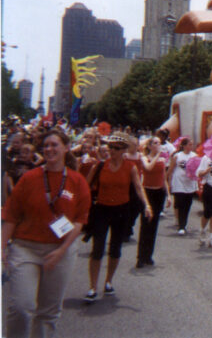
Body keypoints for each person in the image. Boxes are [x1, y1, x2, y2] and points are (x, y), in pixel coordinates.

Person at [2, 130, 91, 337]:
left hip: (61, 251)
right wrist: (1, 248)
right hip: (26, 249)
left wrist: (61, 251)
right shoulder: (29, 178)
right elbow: (11, 215)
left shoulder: (77, 181)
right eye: (47, 145)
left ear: (66, 148)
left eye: (55, 145)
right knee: (21, 307)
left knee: (48, 312)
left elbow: (80, 220)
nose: (49, 149)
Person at [85, 132, 152, 301]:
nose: (111, 150)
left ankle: (108, 281)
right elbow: (84, 188)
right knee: (97, 249)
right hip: (101, 210)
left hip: (121, 211)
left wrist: (147, 205)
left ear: (123, 150)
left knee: (115, 248)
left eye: (116, 148)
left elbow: (138, 187)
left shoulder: (130, 167)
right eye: (110, 147)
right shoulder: (99, 166)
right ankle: (93, 287)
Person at [136, 137, 171, 268]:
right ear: (150, 146)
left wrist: (168, 195)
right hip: (148, 192)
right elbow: (148, 168)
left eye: (159, 143)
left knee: (154, 225)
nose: (158, 145)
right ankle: (140, 256)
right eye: (155, 143)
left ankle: (148, 255)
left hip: (158, 193)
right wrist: (157, 155)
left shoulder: (162, 160)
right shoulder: (145, 158)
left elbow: (164, 179)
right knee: (146, 224)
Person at [167, 137, 198, 235]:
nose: (191, 146)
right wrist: (168, 181)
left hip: (190, 183)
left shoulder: (194, 156)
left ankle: (184, 222)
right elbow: (171, 170)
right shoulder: (177, 156)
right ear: (184, 146)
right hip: (179, 182)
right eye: (189, 144)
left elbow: (198, 169)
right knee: (180, 203)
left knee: (187, 204)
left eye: (192, 144)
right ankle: (181, 226)